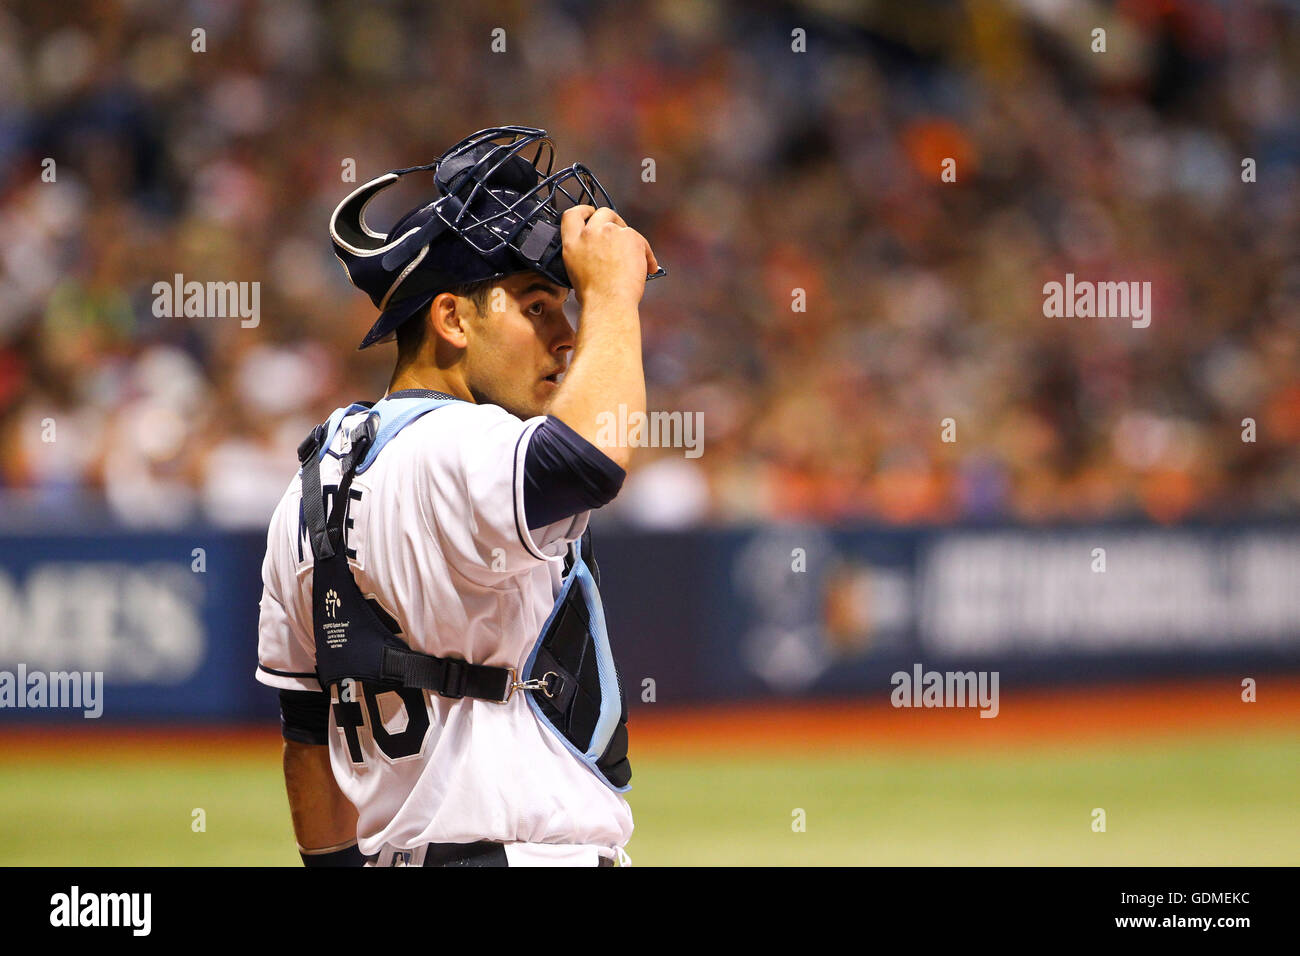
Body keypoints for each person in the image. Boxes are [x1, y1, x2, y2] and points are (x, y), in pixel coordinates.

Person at [254, 127, 661, 866]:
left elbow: (309, 733)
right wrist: (612, 294)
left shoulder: (305, 492)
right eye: (538, 307)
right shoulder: (454, 445)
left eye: (564, 309)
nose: (566, 336)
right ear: (451, 319)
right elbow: (585, 463)